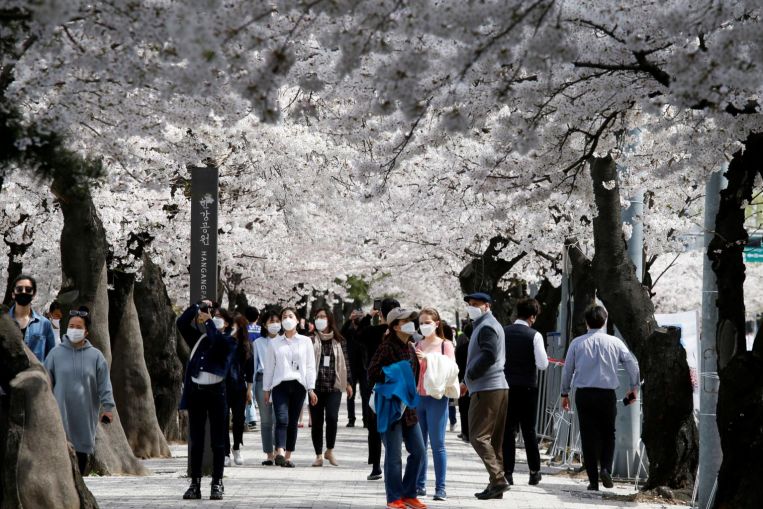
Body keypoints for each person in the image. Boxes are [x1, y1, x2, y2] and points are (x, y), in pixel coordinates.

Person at [561, 305, 640, 491]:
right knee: (608, 434)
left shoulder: (577, 343)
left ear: (587, 322)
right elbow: (632, 364)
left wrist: (564, 393)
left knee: (588, 436)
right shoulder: (615, 343)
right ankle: (606, 468)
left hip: (584, 394)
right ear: (605, 321)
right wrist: (634, 387)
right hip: (607, 394)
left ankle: (593, 480)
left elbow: (567, 370)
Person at [177, 302, 238, 500]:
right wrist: (198, 307)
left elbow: (217, 344)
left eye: (220, 317)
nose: (214, 318)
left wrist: (210, 322)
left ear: (227, 324)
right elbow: (182, 323)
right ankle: (195, 483)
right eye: (214, 315)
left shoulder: (229, 341)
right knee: (196, 440)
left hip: (217, 394)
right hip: (197, 392)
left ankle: (217, 482)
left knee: (218, 442)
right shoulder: (199, 338)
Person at [44, 306, 115, 474]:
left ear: (86, 332)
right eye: (71, 326)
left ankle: (80, 494)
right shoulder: (55, 354)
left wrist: (108, 408)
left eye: (79, 327)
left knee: (81, 455)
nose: (74, 330)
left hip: (85, 415)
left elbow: (104, 384)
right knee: (61, 455)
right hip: (60, 414)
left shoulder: (96, 356)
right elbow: (45, 384)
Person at [368, 307, 427, 509]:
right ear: (395, 326)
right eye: (405, 321)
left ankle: (409, 493)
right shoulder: (386, 347)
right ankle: (394, 498)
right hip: (391, 407)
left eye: (412, 319)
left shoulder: (411, 347)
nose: (411, 323)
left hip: (408, 408)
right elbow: (372, 373)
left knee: (419, 451)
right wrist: (396, 374)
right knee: (394, 456)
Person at [461, 292, 510, 500]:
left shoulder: (487, 326)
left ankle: (498, 479)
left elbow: (489, 355)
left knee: (478, 436)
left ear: (487, 306)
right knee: (495, 440)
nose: (472, 307)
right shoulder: (487, 324)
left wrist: (471, 374)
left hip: (487, 388)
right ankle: (495, 486)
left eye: (476, 304)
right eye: (470, 304)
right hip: (497, 387)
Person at [502, 298, 549, 486]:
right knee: (529, 430)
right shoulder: (534, 335)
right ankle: (534, 471)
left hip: (506, 385)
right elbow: (543, 364)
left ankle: (507, 472)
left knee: (508, 430)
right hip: (528, 386)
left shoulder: (503, 332)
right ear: (532, 316)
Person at [263, 307, 317, 468]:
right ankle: (279, 451)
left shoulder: (306, 341)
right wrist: (266, 389)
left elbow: (310, 366)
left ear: (296, 320)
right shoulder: (274, 343)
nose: (287, 319)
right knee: (281, 418)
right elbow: (269, 368)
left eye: (290, 316)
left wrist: (311, 388)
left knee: (293, 421)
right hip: (280, 385)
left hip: (299, 385)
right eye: (284, 316)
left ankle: (287, 456)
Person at [414, 307, 457, 501]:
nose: (424, 326)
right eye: (421, 323)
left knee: (438, 444)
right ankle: (419, 484)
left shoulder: (445, 345)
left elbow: (451, 368)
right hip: (418, 397)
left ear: (436, 324)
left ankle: (441, 488)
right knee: (420, 444)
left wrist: (429, 359)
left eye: (427, 322)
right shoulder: (417, 344)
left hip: (437, 398)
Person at [356, 297, 400, 480]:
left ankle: (376, 466)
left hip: (375, 383)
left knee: (374, 425)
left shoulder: (373, 331)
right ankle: (393, 460)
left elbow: (358, 334)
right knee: (394, 423)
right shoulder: (401, 333)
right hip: (396, 382)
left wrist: (368, 316)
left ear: (380, 313)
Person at [309, 307, 353, 467]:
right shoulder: (311, 340)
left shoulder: (339, 340)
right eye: (317, 316)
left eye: (323, 316)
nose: (320, 319)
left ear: (329, 320)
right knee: (317, 421)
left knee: (333, 418)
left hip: (333, 385)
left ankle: (330, 450)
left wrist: (348, 383)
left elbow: (346, 362)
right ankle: (318, 455)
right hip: (315, 386)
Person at [224, 313, 254, 466]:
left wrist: (249, 390)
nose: (232, 328)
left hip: (239, 386)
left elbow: (250, 370)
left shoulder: (246, 345)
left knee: (239, 419)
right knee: (223, 418)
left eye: (235, 326)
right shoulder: (224, 343)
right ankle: (225, 453)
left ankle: (236, 447)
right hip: (223, 385)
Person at [252, 308, 280, 465]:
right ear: (264, 324)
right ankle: (269, 453)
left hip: (280, 380)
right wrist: (251, 389)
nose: (275, 324)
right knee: (266, 420)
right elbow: (255, 367)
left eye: (277, 321)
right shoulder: (258, 343)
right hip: (262, 381)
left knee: (279, 417)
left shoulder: (284, 340)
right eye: (271, 321)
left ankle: (279, 451)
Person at [9, 274, 56, 362]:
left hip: (35, 374)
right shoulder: (3, 323)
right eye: (19, 289)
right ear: (13, 294)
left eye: (28, 289)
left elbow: (51, 358)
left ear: (33, 294)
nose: (23, 292)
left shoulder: (44, 324)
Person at [341, 308, 365, 427]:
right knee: (351, 394)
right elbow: (340, 333)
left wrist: (366, 319)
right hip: (351, 366)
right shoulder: (349, 331)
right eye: (356, 316)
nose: (358, 319)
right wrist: (348, 320)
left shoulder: (366, 331)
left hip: (364, 367)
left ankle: (366, 419)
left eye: (360, 316)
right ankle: (351, 419)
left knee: (366, 393)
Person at [455, 320, 472, 443]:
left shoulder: (461, 348)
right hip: (474, 380)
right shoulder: (477, 348)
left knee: (463, 407)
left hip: (461, 379)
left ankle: (465, 431)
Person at [244, 306, 261, 430]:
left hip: (247, 361)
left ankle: (250, 417)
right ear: (258, 317)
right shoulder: (261, 330)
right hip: (260, 363)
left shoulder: (244, 330)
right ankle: (253, 417)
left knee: (248, 390)